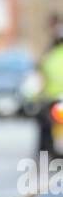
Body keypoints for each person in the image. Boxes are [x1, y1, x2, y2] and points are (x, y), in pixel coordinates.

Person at [38, 16, 63, 161]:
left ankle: (44, 153)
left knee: (44, 125)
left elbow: (41, 75)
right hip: (54, 98)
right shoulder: (51, 56)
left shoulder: (50, 56)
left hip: (52, 98)